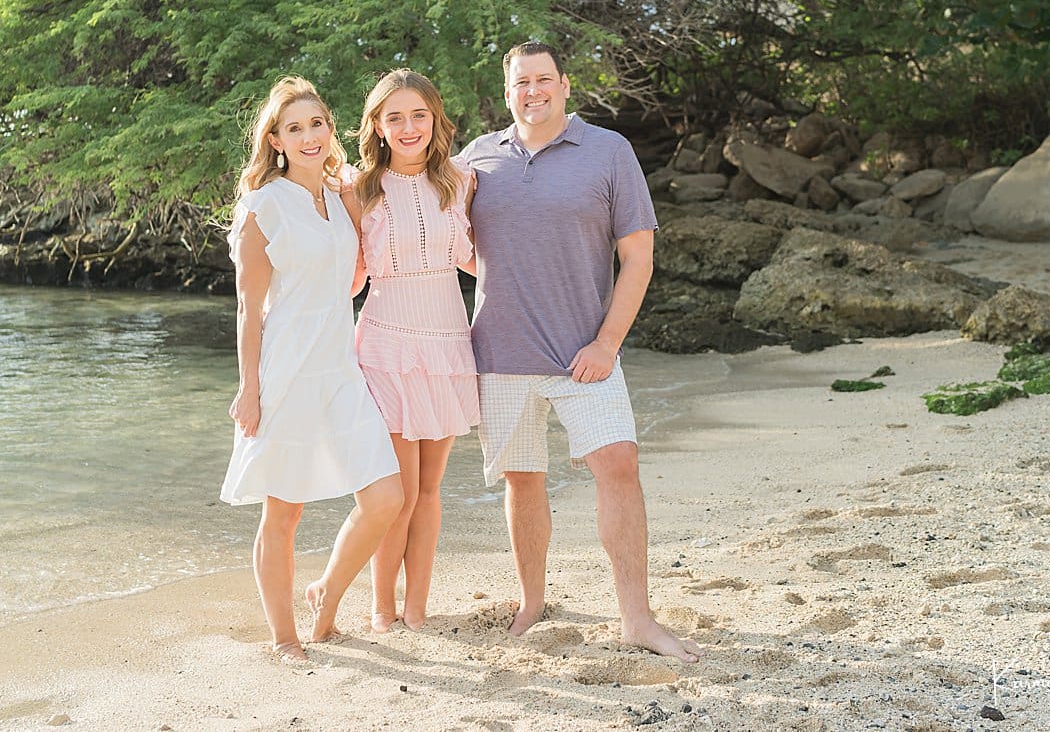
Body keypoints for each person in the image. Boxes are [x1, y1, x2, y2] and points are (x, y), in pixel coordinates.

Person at [458, 41, 703, 663]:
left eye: (543, 80)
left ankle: (637, 617)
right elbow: (433, 227)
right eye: (520, 83)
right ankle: (533, 601)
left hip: (583, 355)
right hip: (499, 351)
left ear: (565, 85)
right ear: (506, 90)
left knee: (618, 465)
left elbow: (639, 258)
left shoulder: (609, 152)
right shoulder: (478, 159)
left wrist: (607, 342)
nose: (532, 91)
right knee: (522, 480)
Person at [220, 76, 404, 662]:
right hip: (288, 368)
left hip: (342, 367)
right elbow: (250, 308)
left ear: (330, 129)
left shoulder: (340, 195)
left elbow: (351, 278)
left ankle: (326, 589)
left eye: (316, 124)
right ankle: (284, 637)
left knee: (386, 496)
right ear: (274, 139)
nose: (308, 136)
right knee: (284, 511)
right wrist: (249, 390)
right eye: (293, 128)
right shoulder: (263, 207)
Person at [348, 69, 480, 633]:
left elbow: (477, 260)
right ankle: (382, 607)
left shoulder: (461, 179)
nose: (408, 127)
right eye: (394, 117)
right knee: (396, 491)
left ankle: (417, 608)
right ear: (376, 126)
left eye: (418, 115)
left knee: (428, 491)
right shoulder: (357, 187)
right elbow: (349, 275)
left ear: (435, 121)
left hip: (449, 340)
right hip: (385, 345)